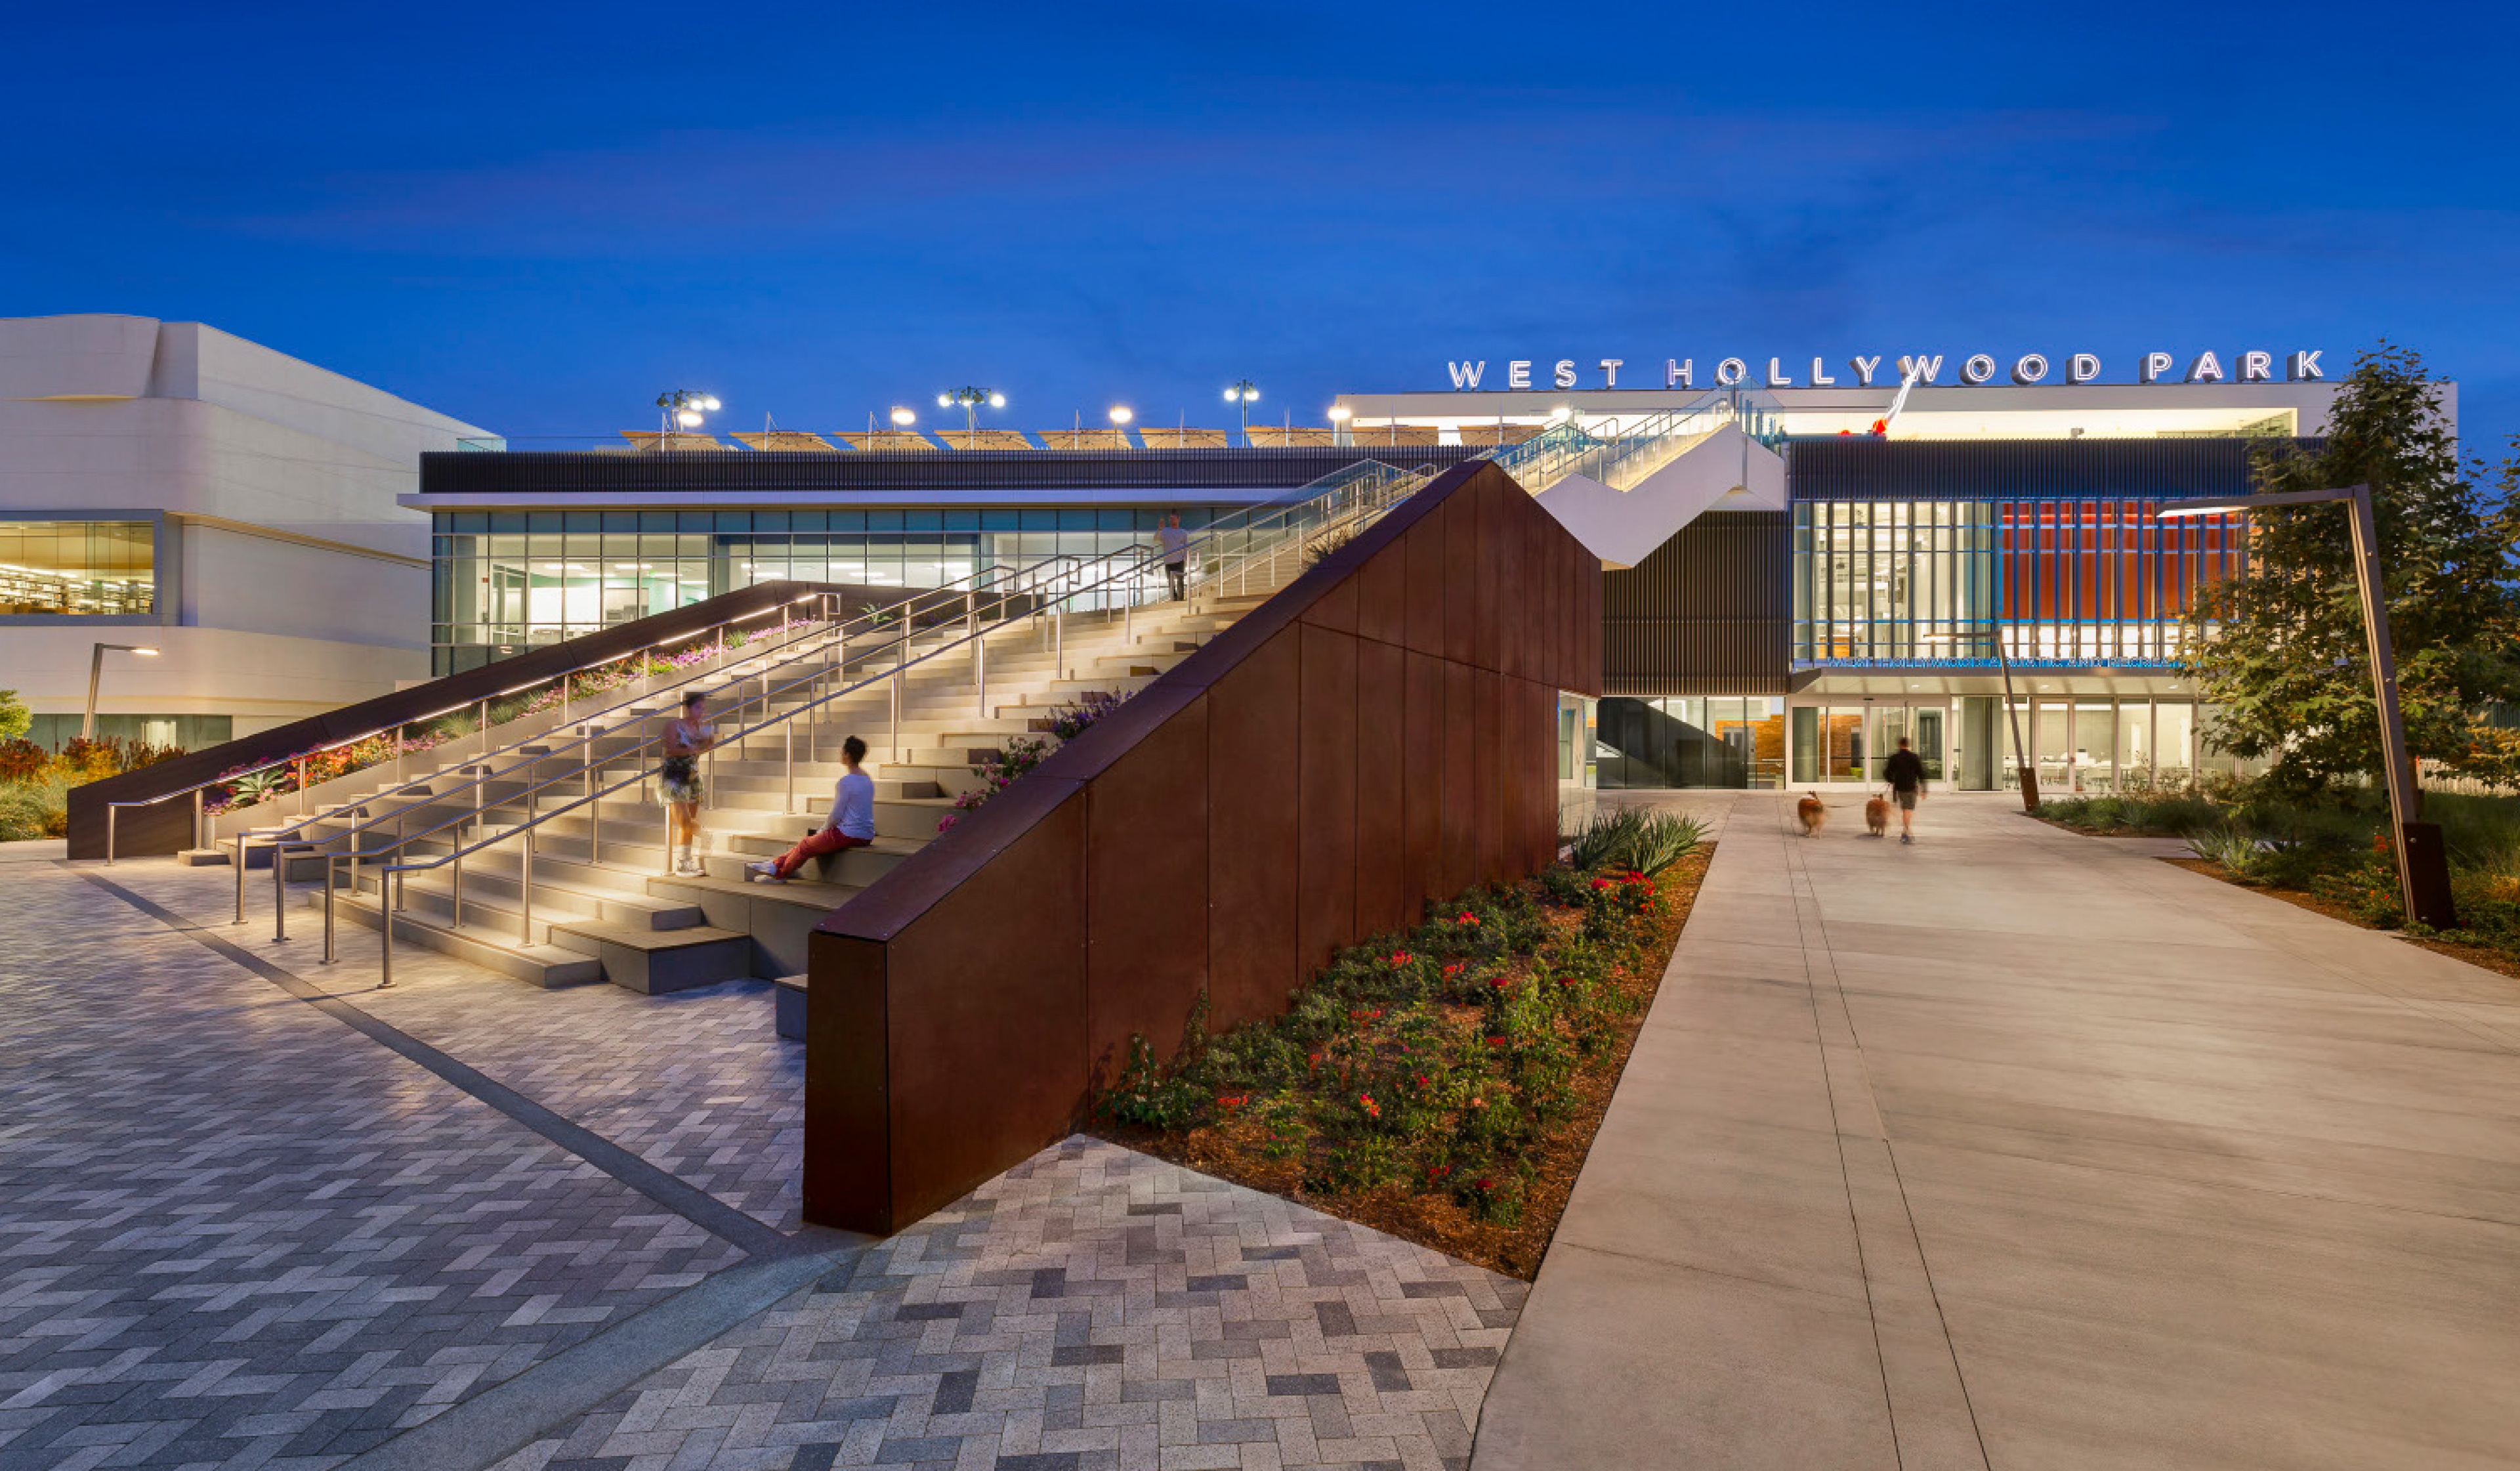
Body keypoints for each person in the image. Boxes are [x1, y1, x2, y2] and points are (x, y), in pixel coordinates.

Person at [747, 735, 875, 884]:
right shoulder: (868, 780)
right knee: (808, 842)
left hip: (850, 834)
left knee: (806, 845)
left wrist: (823, 830)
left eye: (842, 752)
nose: (841, 755)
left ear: (847, 755)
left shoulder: (846, 782)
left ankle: (780, 874)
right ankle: (774, 864)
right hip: (866, 834)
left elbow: (836, 815)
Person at [658, 691, 717, 876]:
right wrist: (692, 748)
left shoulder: (699, 728)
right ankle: (704, 836)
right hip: (674, 775)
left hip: (692, 776)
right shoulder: (674, 725)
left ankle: (685, 863)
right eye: (698, 707)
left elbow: (701, 751)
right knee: (684, 820)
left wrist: (708, 743)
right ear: (688, 708)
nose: (701, 712)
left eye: (703, 708)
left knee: (687, 822)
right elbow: (670, 749)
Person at [1884, 735, 1927, 844]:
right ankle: (1906, 833)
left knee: (1906, 810)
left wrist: (1891, 780)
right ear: (1908, 745)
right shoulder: (1914, 757)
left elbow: (1887, 772)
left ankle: (1906, 831)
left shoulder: (1894, 758)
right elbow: (1921, 774)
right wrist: (1924, 789)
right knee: (1908, 809)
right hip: (1911, 788)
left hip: (1900, 788)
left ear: (1900, 745)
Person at [1156, 513, 1190, 601]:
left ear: (1178, 519)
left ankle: (1181, 599)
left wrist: (1185, 559)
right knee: (1171, 582)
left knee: (1180, 581)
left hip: (1179, 560)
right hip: (1168, 561)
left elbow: (1187, 547)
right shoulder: (1165, 531)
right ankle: (1173, 600)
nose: (1171, 520)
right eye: (1170, 519)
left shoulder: (1183, 532)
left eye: (1173, 518)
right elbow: (1156, 539)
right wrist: (1159, 529)